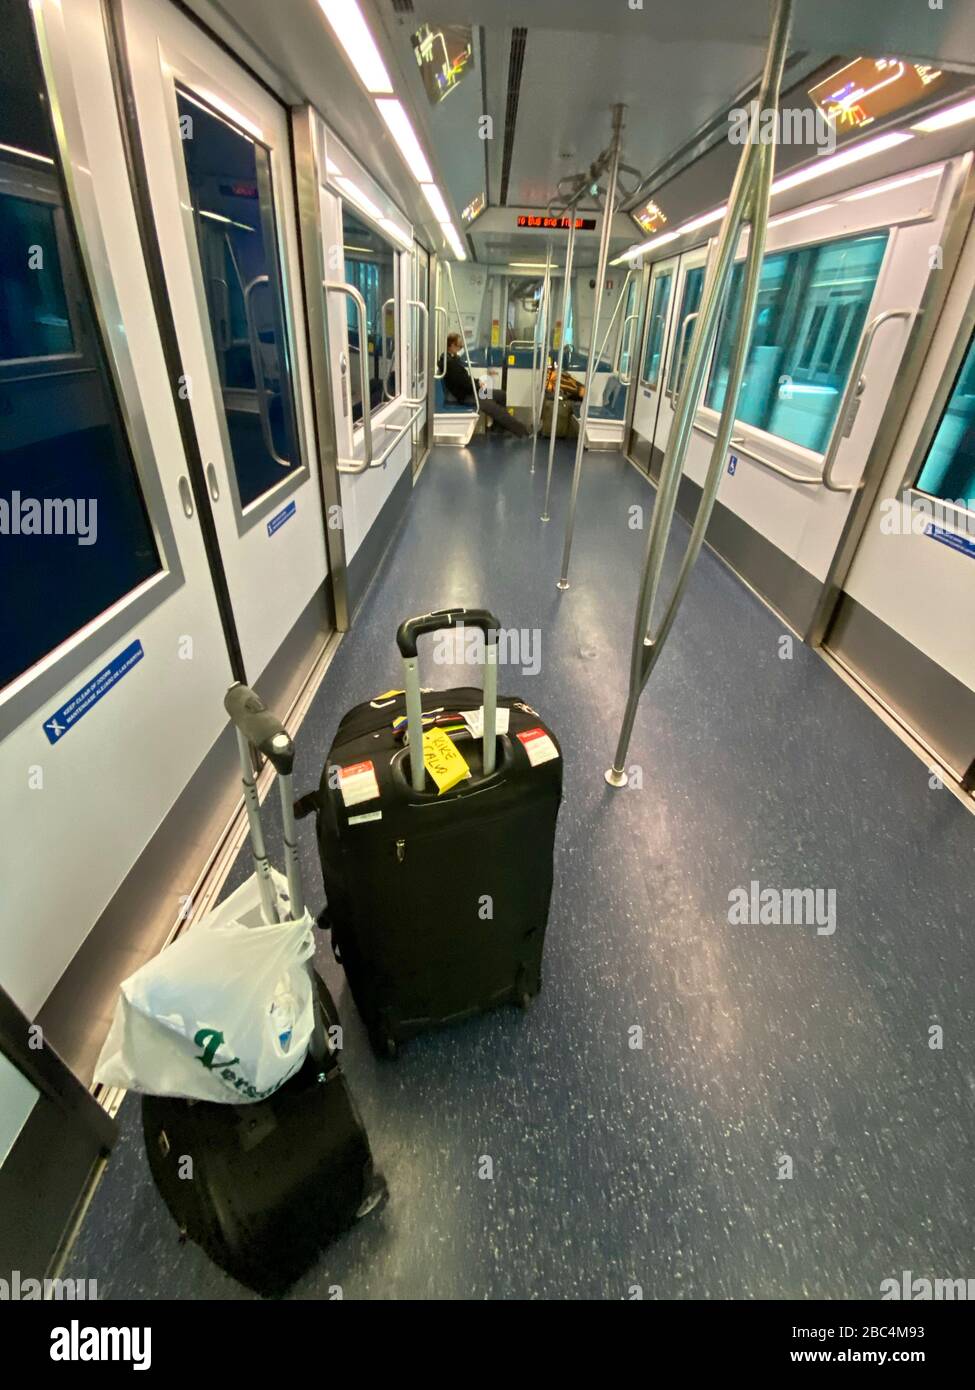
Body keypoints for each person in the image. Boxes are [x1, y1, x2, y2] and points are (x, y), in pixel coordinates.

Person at [440, 333, 529, 437]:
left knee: (501, 395)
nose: (461, 348)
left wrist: (478, 382)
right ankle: (523, 432)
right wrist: (478, 385)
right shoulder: (450, 363)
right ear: (451, 345)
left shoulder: (453, 359)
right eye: (459, 346)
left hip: (471, 390)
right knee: (495, 409)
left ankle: (498, 428)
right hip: (466, 395)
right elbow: (463, 383)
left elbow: (464, 380)